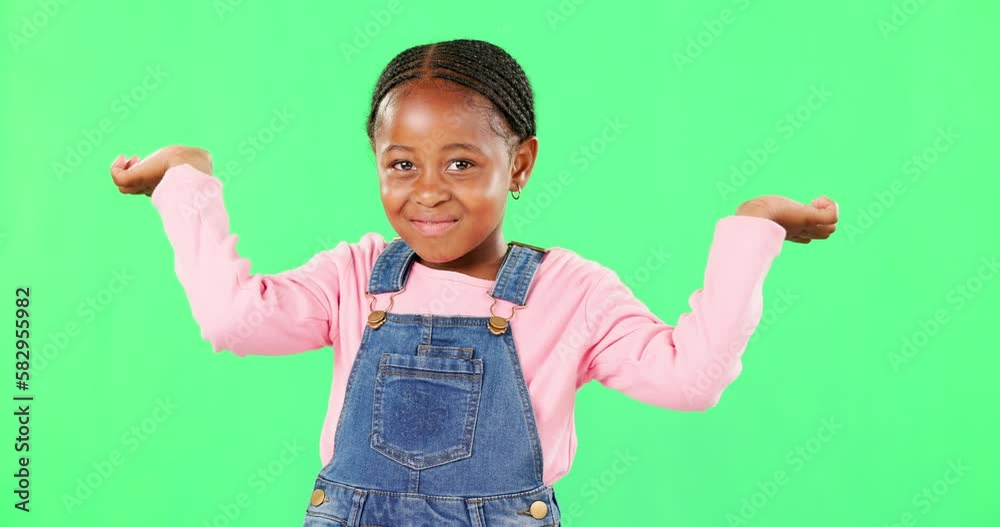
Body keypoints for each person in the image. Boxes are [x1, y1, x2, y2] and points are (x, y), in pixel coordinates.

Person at [110, 38, 837, 526]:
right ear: (375, 158)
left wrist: (752, 231)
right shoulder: (355, 275)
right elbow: (233, 320)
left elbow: (691, 379)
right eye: (402, 164)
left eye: (461, 163)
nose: (427, 192)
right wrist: (184, 185)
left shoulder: (570, 292)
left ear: (519, 165)